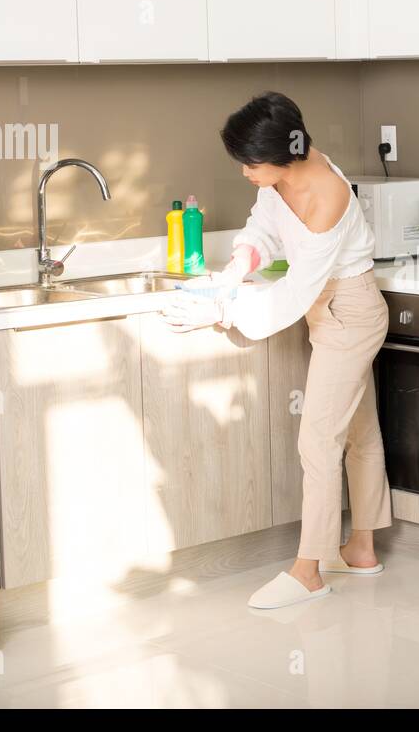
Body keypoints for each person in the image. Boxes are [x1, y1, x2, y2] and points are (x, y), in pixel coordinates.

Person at [162, 92, 390, 610]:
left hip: (348, 312)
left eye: (250, 163)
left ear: (282, 155)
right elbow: (263, 226)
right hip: (331, 310)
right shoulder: (285, 171)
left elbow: (296, 292)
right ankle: (360, 548)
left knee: (318, 439)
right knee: (358, 428)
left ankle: (308, 571)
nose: (245, 172)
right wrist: (236, 267)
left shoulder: (326, 195)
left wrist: (222, 311)